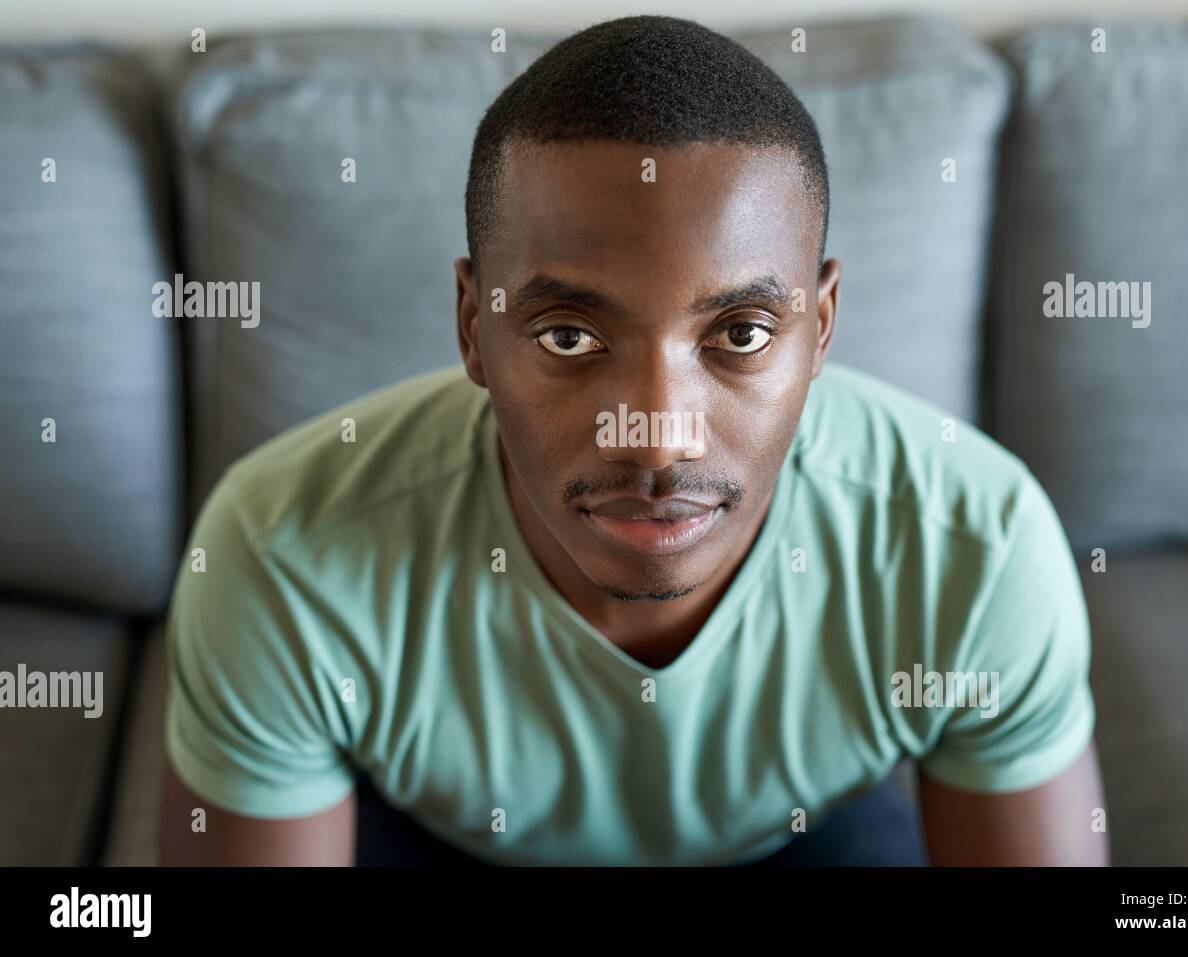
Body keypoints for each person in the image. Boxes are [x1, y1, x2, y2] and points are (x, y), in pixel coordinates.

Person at [160, 14, 1107, 867]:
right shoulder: (279, 555)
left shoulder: (978, 546)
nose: (657, 438)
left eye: (739, 334)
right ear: (471, 327)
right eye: (569, 336)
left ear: (820, 327)